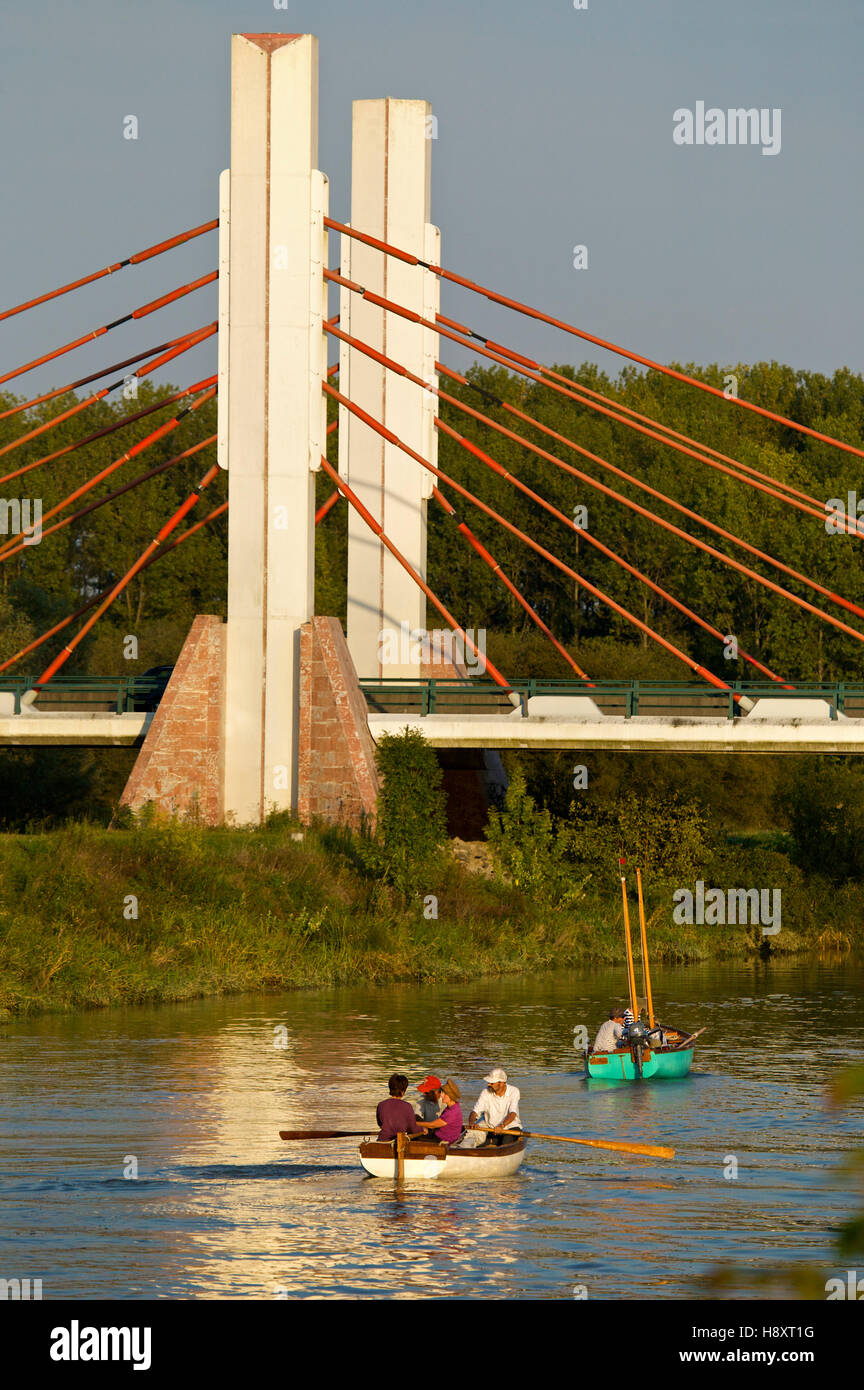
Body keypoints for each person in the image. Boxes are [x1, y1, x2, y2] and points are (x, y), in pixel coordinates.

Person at [467, 1068, 521, 1136]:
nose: (488, 1084)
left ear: (501, 1083)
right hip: (491, 1127)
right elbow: (475, 1112)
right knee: (472, 1135)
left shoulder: (514, 1091)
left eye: (491, 1083)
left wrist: (502, 1126)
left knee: (506, 1142)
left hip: (510, 1127)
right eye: (488, 1082)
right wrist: (471, 1123)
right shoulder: (485, 1092)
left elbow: (513, 1113)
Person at [376, 1073, 422, 1141]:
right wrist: (423, 1129)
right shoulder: (407, 1106)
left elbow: (380, 1124)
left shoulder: (381, 1105)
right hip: (400, 1140)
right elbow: (413, 1128)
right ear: (403, 1091)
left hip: (383, 1140)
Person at [416, 1080, 462, 1144]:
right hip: (437, 1132)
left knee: (415, 1139)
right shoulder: (451, 1107)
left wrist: (414, 1123)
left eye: (444, 1094)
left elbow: (432, 1125)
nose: (441, 1095)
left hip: (441, 1139)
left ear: (450, 1096)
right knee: (416, 1117)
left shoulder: (452, 1112)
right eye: (442, 1093)